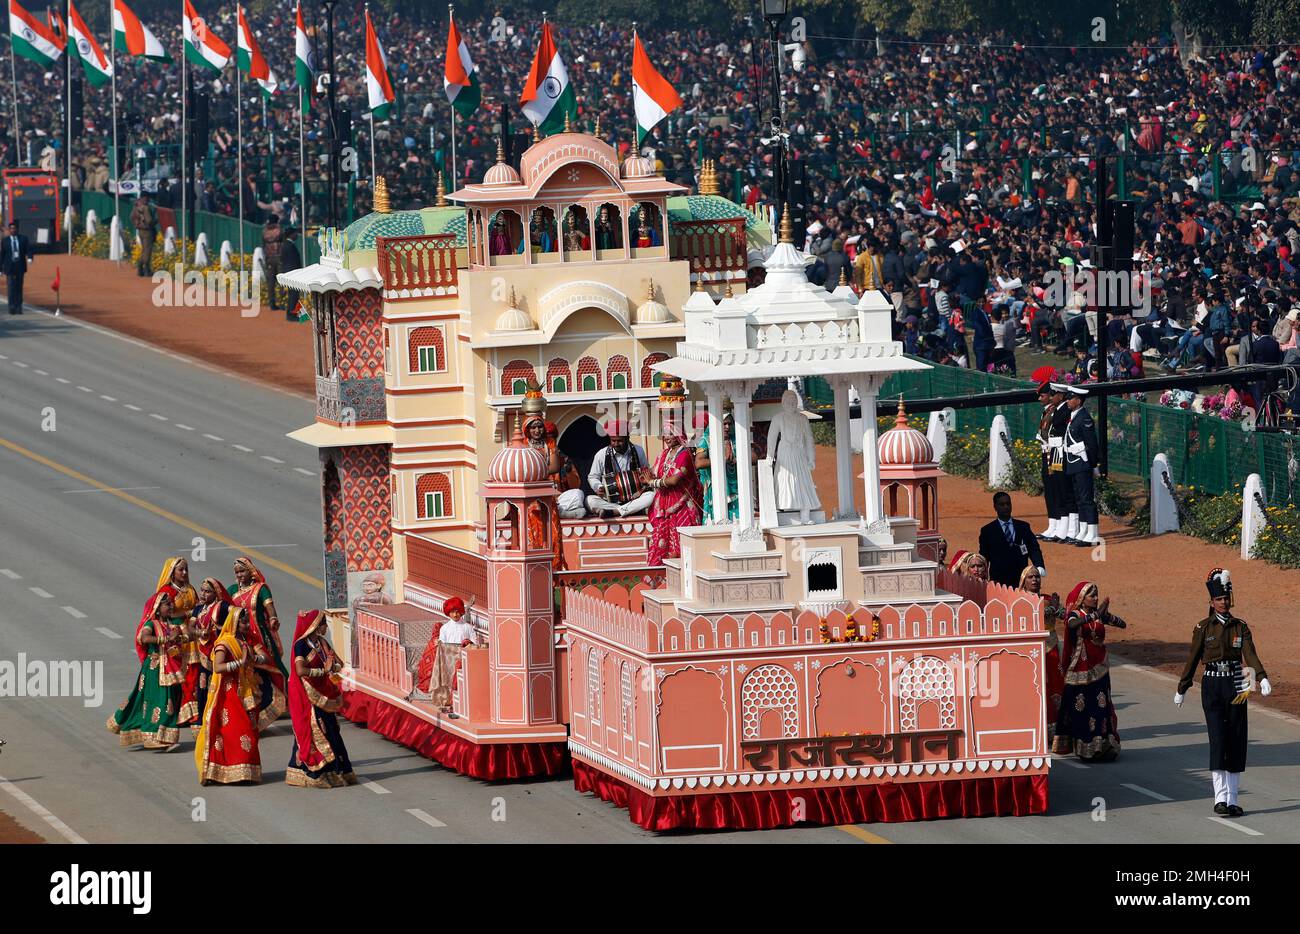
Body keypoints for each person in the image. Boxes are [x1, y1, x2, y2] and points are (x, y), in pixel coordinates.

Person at [1175, 568, 1272, 817]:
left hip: (1239, 681)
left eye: (1226, 598)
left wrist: (1261, 677)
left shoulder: (1240, 626)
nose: (1224, 602)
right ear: (1212, 601)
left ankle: (1233, 800)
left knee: (1237, 739)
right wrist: (1182, 687)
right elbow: (1193, 658)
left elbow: (1249, 653)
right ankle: (1219, 799)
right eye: (1219, 599)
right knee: (1219, 738)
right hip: (1213, 683)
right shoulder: (1203, 627)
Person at [1054, 581, 1125, 760]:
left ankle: (1103, 745)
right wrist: (1094, 615)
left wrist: (1107, 616)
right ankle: (1085, 748)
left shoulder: (1099, 615)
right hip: (1080, 668)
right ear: (1082, 599)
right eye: (1091, 595)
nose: (1095, 598)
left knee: (1101, 706)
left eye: (1096, 595)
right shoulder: (1075, 615)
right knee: (1080, 708)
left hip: (1100, 668)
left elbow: (1122, 625)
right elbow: (1071, 625)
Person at [286, 610, 357, 788]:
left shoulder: (322, 643)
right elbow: (301, 671)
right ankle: (315, 773)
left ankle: (336, 772)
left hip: (324, 695)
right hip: (308, 697)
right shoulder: (301, 645)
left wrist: (332, 666)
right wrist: (323, 671)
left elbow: (339, 664)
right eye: (324, 624)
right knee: (314, 732)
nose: (326, 627)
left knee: (331, 731)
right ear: (316, 626)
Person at [107, 590, 184, 750]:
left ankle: (162, 737)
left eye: (171, 603)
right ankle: (152, 736)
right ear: (157, 607)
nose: (170, 606)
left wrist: (181, 637)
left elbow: (187, 634)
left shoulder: (172, 623)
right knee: (158, 702)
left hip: (171, 669)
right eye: (167, 604)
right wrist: (164, 639)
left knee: (171, 702)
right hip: (155, 670)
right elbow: (144, 638)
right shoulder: (152, 624)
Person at [195, 608, 263, 785]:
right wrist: (239, 663)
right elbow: (218, 667)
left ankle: (245, 770)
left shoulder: (244, 641)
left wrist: (256, 660)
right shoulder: (224, 643)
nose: (247, 625)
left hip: (246, 691)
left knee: (250, 730)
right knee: (236, 730)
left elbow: (251, 661)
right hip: (228, 692)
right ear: (234, 623)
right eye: (243, 622)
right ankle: (228, 770)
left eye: (248, 622)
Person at [228, 556, 287, 729]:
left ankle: (284, 701)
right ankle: (253, 708)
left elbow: (270, 608)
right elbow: (224, 610)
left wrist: (274, 618)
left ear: (251, 571)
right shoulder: (232, 590)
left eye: (242, 571)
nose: (239, 575)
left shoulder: (261, 589)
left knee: (272, 667)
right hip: (241, 636)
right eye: (237, 572)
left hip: (261, 636)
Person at [646, 424, 704, 565]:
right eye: (665, 434)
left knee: (682, 546)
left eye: (670, 433)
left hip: (682, 506)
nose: (667, 437)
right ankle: (660, 578)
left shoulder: (685, 454)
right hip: (664, 505)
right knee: (660, 542)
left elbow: (675, 480)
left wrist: (652, 483)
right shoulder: (663, 454)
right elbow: (653, 473)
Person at [1020, 566, 1064, 746]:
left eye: (1037, 577)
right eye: (1030, 577)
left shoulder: (1047, 599)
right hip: (1030, 651)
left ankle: (1058, 730)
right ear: (1024, 580)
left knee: (1056, 686)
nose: (1035, 580)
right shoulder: (1018, 599)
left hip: (1051, 648)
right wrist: (1052, 607)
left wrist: (1057, 607)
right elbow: (1037, 614)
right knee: (1037, 688)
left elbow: (1064, 614)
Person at [181, 578, 231, 728]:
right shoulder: (199, 609)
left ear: (216, 593)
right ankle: (202, 717)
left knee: (219, 684)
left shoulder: (221, 606)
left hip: (218, 651)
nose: (203, 594)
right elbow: (190, 627)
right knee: (202, 685)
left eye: (207, 591)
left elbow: (235, 614)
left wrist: (220, 629)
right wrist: (199, 632)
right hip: (203, 652)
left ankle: (220, 716)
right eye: (202, 590)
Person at [766, 389, 822, 523]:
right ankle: (784, 510)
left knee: (803, 482)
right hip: (784, 453)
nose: (791, 404)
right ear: (783, 403)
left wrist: (811, 458)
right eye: (789, 402)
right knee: (784, 480)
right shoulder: (778, 417)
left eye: (794, 402)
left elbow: (809, 438)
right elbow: (772, 437)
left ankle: (805, 515)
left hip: (799, 453)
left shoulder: (802, 418)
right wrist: (769, 455)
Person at [414, 597, 479, 710]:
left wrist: (466, 645)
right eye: (452, 612)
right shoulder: (444, 628)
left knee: (458, 681)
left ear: (461, 612)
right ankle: (445, 701)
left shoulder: (468, 627)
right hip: (446, 660)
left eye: (457, 612)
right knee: (446, 681)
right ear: (448, 613)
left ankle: (460, 703)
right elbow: (441, 644)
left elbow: (474, 644)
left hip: (461, 659)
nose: (455, 615)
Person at [523, 409, 565, 568]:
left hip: (547, 494)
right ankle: (535, 567)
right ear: (527, 430)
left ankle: (554, 567)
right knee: (533, 531)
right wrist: (539, 470)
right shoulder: (523, 445)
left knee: (552, 531)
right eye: (533, 427)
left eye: (539, 427)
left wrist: (534, 471)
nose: (537, 430)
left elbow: (554, 466)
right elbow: (520, 468)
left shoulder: (550, 445)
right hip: (529, 496)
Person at [586, 420, 653, 518]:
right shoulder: (601, 454)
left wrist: (645, 480)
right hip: (610, 500)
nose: (616, 444)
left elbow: (645, 471)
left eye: (620, 441)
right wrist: (598, 486)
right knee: (589, 500)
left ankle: (614, 511)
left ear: (627, 438)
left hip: (635, 497)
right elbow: (592, 477)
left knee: (651, 496)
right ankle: (627, 509)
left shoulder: (638, 451)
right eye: (613, 441)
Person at [977, 491, 1045, 587]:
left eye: (1008, 504)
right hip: (999, 581)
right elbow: (984, 556)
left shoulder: (1023, 527)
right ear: (995, 507)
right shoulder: (988, 531)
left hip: (1021, 579)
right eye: (1002, 504)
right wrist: (983, 575)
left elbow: (1033, 548)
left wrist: (1039, 565)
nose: (1006, 507)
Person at [1062, 384, 1100, 546]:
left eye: (1070, 398)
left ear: (1078, 400)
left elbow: (1091, 443)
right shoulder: (1074, 416)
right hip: (1073, 463)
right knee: (1079, 499)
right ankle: (1084, 530)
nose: (1067, 401)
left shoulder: (1084, 418)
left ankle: (1093, 533)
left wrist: (1092, 464)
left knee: (1086, 499)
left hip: (1082, 463)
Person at [696, 411, 738, 522]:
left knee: (738, 521)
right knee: (716, 520)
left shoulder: (735, 440)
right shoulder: (705, 440)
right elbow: (699, 463)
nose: (727, 427)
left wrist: (737, 459)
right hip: (715, 489)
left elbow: (753, 456)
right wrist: (721, 460)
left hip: (736, 489)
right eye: (724, 424)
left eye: (729, 424)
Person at [0, 221, 32, 314]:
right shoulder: (5, 241)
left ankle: (18, 307)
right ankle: (11, 307)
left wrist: (30, 257)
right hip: (9, 267)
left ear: (17, 229)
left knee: (19, 287)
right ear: (9, 230)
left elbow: (29, 249)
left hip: (20, 266)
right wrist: (0, 268)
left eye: (14, 228)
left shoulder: (23, 239)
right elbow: (2, 255)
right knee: (11, 287)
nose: (13, 230)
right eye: (11, 228)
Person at [130, 193, 157, 277]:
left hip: (140, 231)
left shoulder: (136, 206)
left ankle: (142, 269)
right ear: (145, 198)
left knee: (144, 250)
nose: (148, 200)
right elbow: (149, 220)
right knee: (147, 251)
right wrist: (156, 221)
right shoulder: (145, 208)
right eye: (147, 198)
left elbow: (131, 217)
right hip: (147, 231)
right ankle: (145, 269)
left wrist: (137, 224)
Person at [262, 214, 283, 311]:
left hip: (269, 257)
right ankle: (282, 301)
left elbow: (263, 243)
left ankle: (272, 302)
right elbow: (281, 237)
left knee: (271, 282)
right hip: (279, 257)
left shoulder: (265, 231)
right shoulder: (278, 230)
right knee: (282, 281)